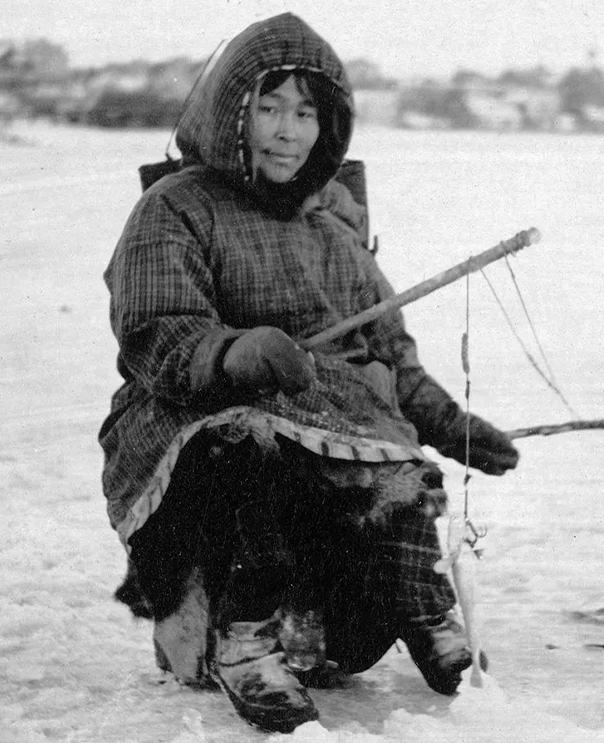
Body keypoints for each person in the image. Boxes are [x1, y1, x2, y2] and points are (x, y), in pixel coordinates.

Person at [100, 13, 518, 733]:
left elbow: (389, 356)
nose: (288, 130)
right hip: (197, 418)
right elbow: (156, 330)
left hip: (330, 419)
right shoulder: (175, 208)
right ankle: (243, 636)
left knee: (395, 464)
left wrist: (451, 425)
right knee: (252, 446)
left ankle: (419, 604)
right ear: (230, 111)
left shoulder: (334, 231)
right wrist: (235, 351)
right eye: (268, 107)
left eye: (306, 112)